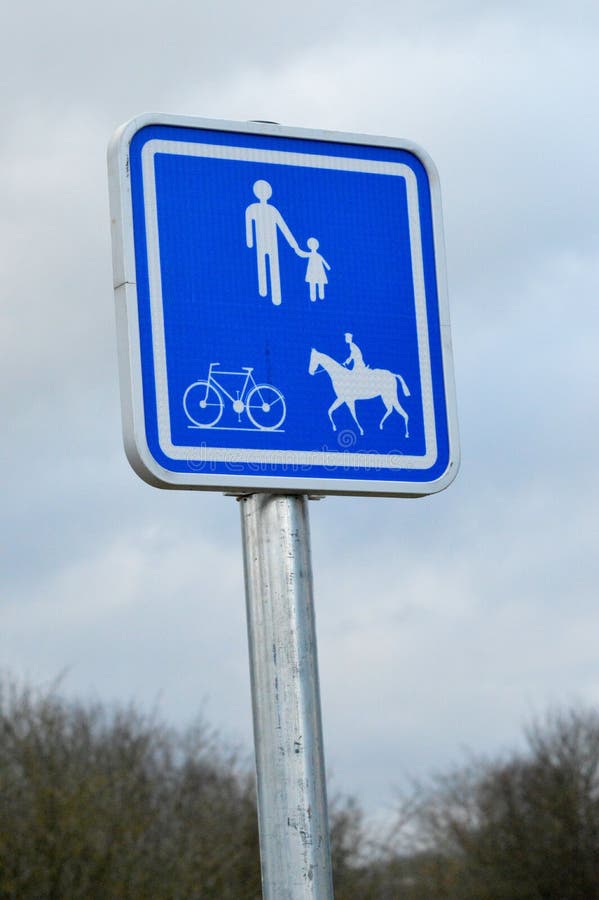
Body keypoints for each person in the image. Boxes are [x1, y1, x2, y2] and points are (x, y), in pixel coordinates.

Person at [245, 180, 303, 306]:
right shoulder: (252, 208)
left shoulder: (272, 210)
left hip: (272, 242)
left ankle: (276, 297)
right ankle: (263, 291)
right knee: (261, 265)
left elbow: (283, 228)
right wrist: (250, 242)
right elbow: (249, 226)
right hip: (260, 242)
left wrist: (295, 246)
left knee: (273, 265)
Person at [303, 237, 331, 301]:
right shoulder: (310, 254)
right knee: (312, 283)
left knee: (320, 283)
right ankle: (313, 297)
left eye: (314, 244)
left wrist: (328, 267)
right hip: (312, 271)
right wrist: (297, 249)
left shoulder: (318, 255)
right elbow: (303, 254)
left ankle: (321, 296)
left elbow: (323, 261)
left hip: (320, 271)